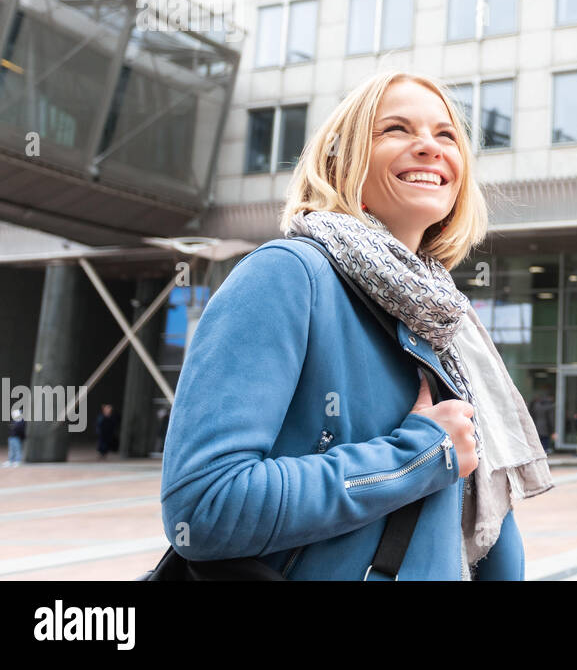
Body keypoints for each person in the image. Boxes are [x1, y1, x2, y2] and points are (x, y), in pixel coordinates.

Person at [161, 71, 554, 580]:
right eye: (395, 129)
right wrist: (416, 456)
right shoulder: (288, 274)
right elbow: (205, 507)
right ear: (340, 161)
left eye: (446, 135)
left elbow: (483, 517)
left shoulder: (445, 318)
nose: (429, 148)